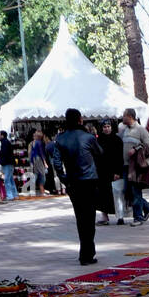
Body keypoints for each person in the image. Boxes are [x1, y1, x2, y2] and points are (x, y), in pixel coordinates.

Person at [52, 108, 104, 266]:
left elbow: (56, 162)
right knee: (89, 217)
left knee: (81, 217)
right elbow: (100, 153)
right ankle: (87, 253)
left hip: (73, 182)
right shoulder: (88, 137)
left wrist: (64, 179)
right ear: (80, 120)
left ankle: (86, 252)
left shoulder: (60, 139)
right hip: (88, 180)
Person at [121, 108, 149, 226]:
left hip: (136, 167)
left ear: (130, 116)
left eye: (124, 115)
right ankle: (147, 206)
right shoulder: (124, 130)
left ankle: (138, 217)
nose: (122, 117)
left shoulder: (141, 130)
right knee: (127, 191)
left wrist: (136, 149)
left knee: (135, 191)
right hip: (126, 166)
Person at [97, 119, 125, 224]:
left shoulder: (117, 140)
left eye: (108, 126)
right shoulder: (99, 140)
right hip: (103, 173)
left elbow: (120, 157)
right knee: (104, 195)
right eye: (104, 127)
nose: (107, 128)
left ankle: (120, 216)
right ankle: (104, 216)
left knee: (117, 194)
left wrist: (118, 172)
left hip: (114, 172)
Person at [0, 131, 17, 200]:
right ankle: (14, 194)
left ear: (2, 135)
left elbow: (4, 153)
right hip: (10, 163)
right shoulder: (6, 142)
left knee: (7, 180)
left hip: (7, 163)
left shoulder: (4, 143)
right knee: (11, 179)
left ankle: (10, 195)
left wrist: (2, 161)